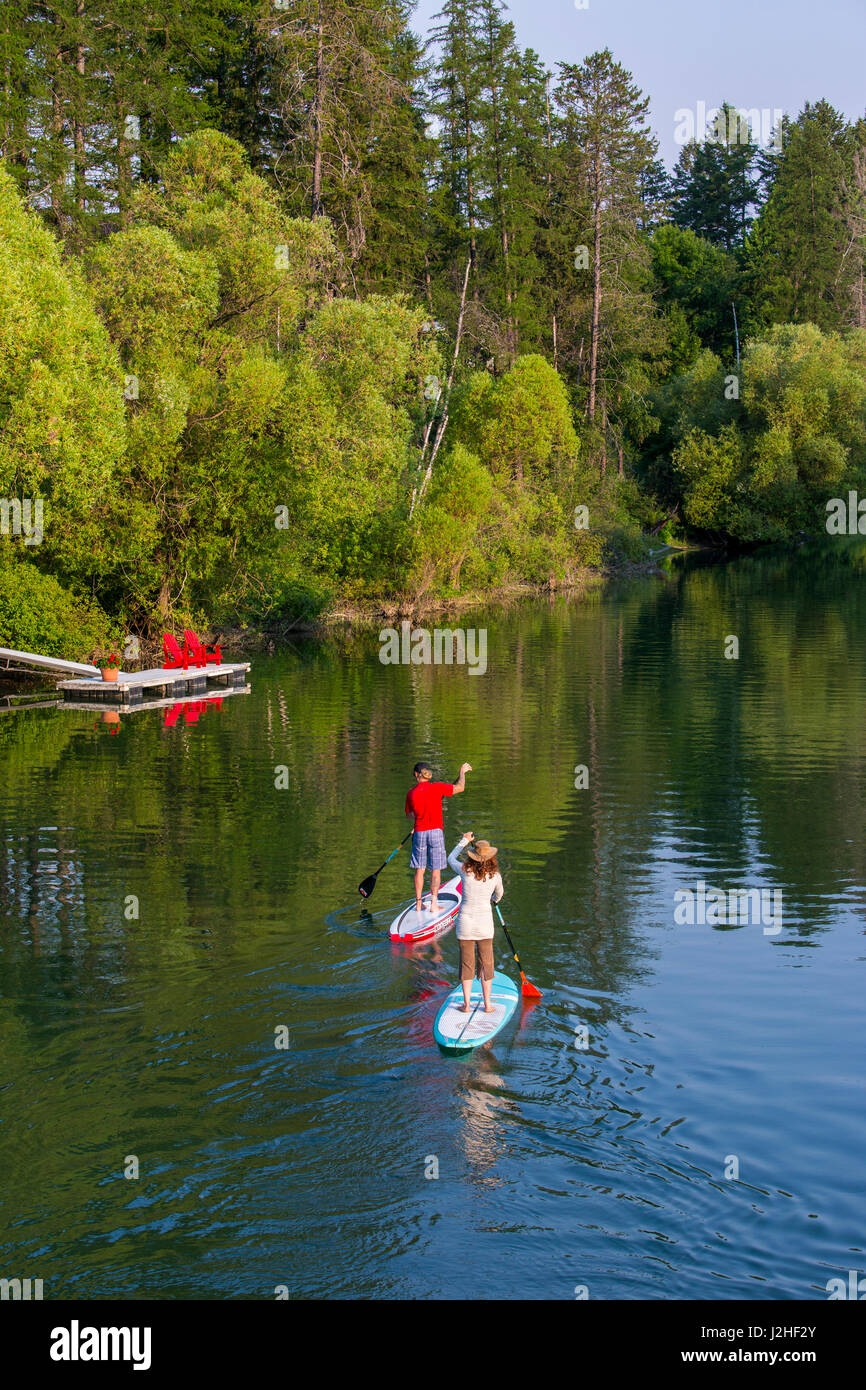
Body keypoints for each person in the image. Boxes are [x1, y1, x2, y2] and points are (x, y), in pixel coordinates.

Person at [405, 760, 472, 914]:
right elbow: (460, 787)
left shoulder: (411, 793)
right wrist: (462, 772)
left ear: (416, 775)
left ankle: (419, 904)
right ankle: (434, 905)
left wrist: (420, 813)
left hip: (420, 832)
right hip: (436, 832)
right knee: (435, 870)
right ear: (427, 774)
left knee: (419, 870)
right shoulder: (437, 788)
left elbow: (410, 816)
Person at [447, 832, 503, 1013]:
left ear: (474, 856)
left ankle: (467, 1005)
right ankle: (487, 1005)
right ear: (490, 858)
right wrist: (493, 900)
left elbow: (450, 858)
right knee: (487, 965)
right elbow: (499, 895)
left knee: (466, 965)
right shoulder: (495, 876)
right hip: (485, 926)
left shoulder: (465, 870)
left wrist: (464, 840)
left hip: (465, 925)